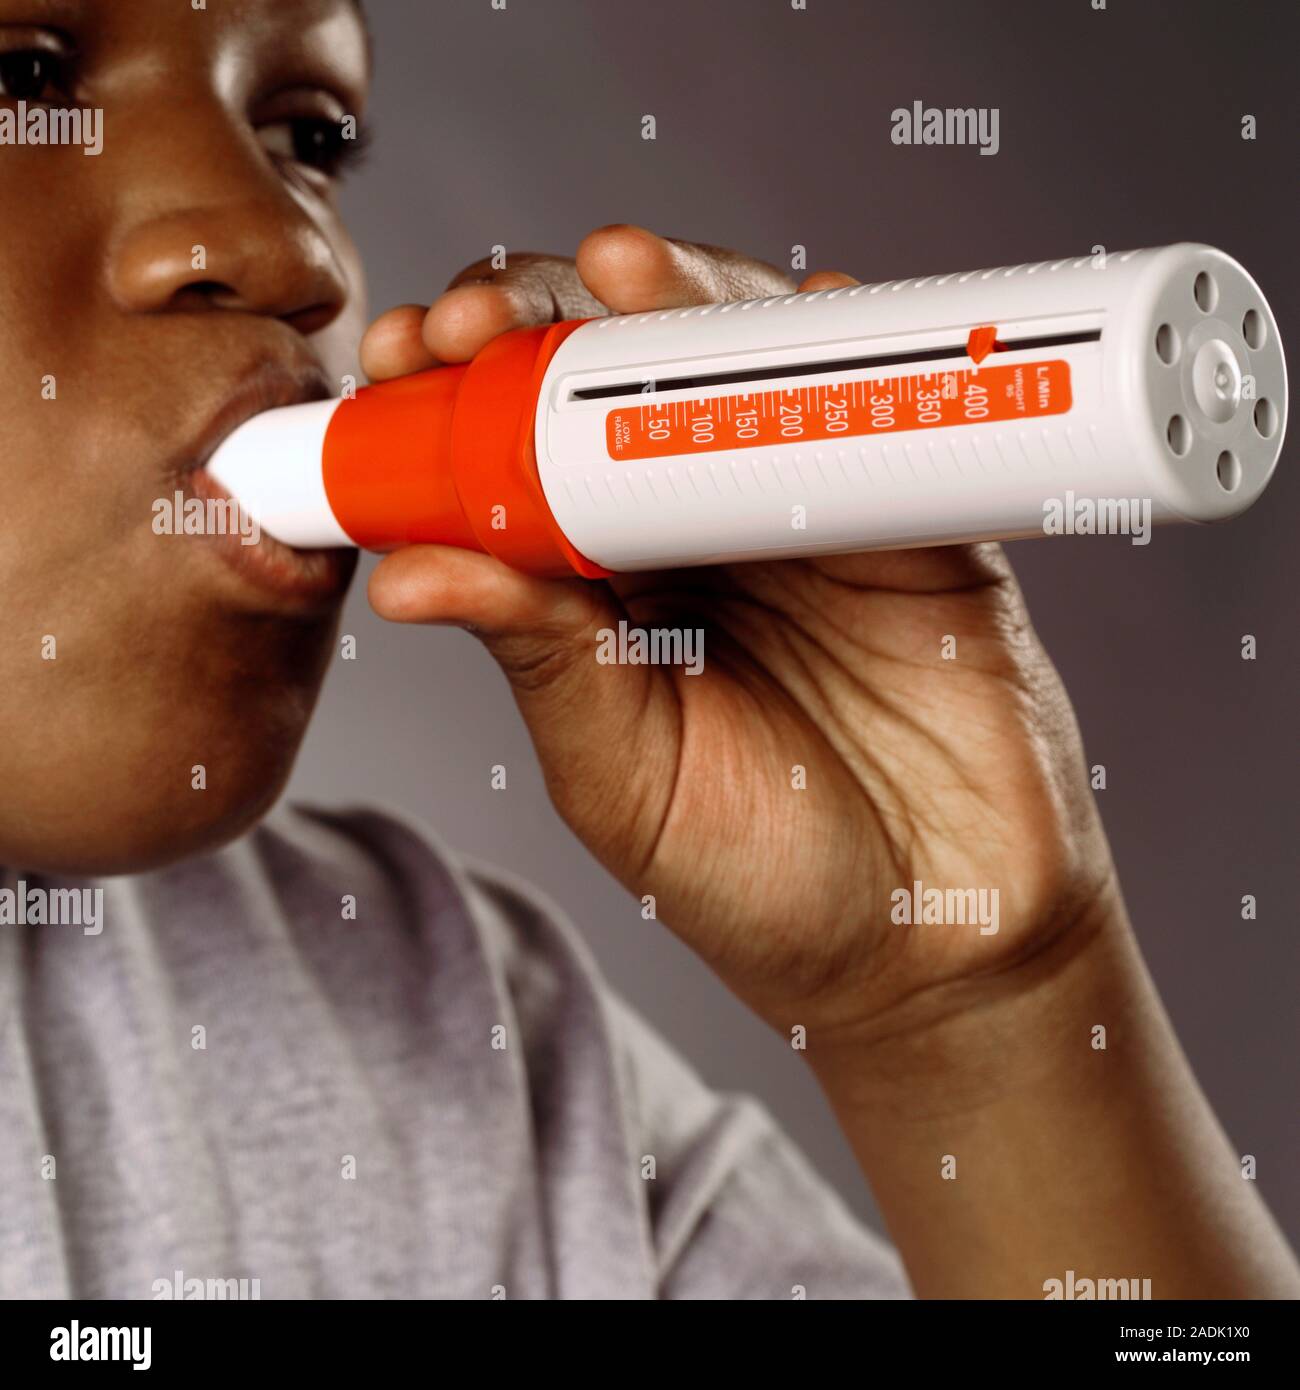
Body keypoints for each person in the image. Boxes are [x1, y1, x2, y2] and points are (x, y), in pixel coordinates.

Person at [0, 0, 1295, 1300]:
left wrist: (978, 1014)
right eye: (22, 77)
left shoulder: (449, 1038)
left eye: (309, 136)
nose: (293, 251)